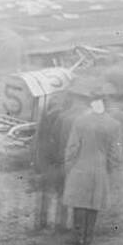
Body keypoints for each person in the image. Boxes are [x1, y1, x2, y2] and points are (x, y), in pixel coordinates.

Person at [62, 80, 123, 245]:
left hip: (80, 167)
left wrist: (69, 167)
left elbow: (72, 148)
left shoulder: (80, 122)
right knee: (93, 203)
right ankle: (88, 237)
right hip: (100, 168)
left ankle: (78, 236)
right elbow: (116, 154)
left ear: (91, 103)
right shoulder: (113, 124)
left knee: (79, 203)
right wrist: (110, 169)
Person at [32, 87, 82, 232]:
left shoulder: (45, 116)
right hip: (57, 158)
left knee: (44, 192)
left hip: (45, 157)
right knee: (62, 191)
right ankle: (61, 224)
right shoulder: (64, 117)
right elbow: (62, 140)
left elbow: (39, 139)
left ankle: (40, 223)